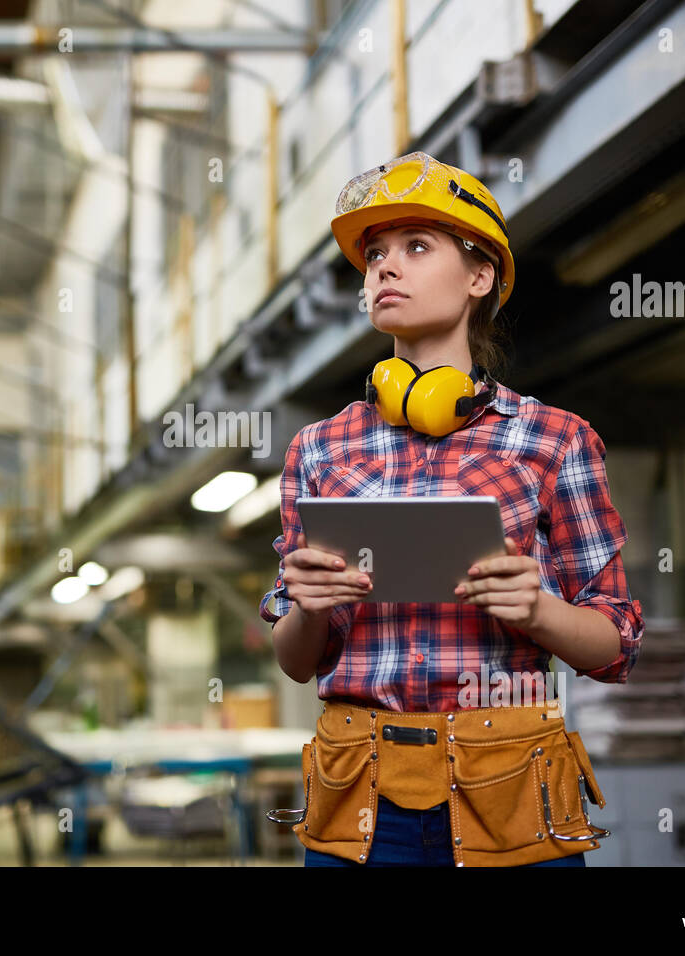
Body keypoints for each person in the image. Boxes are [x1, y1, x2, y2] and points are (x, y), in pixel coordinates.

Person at [259, 152, 645, 867]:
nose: (383, 269)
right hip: (359, 794)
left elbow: (616, 646)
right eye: (373, 255)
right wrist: (308, 608)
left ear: (480, 276)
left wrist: (539, 611)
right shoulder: (319, 449)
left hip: (510, 790)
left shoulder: (555, 439)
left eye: (415, 247)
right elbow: (294, 662)